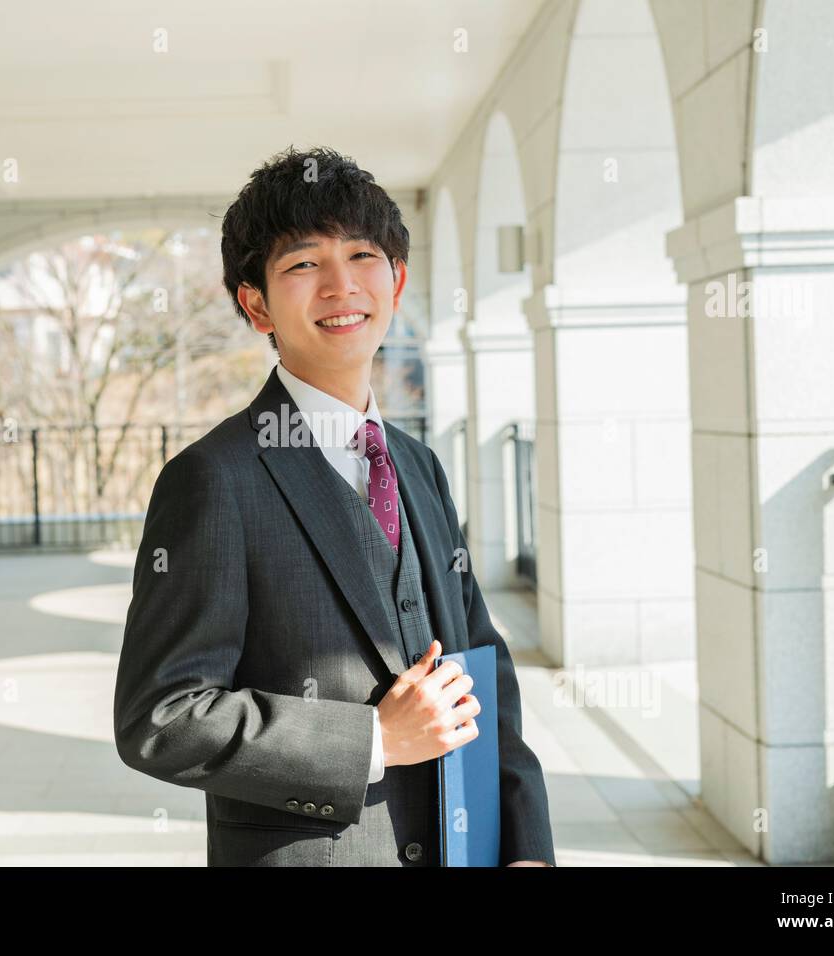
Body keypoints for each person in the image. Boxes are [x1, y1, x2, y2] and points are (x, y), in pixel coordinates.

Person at [113, 145, 554, 866]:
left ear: (398, 280)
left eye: (361, 255)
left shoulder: (419, 466)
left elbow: (481, 668)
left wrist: (525, 845)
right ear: (255, 304)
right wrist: (376, 741)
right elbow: (160, 718)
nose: (340, 286)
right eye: (302, 265)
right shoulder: (212, 480)